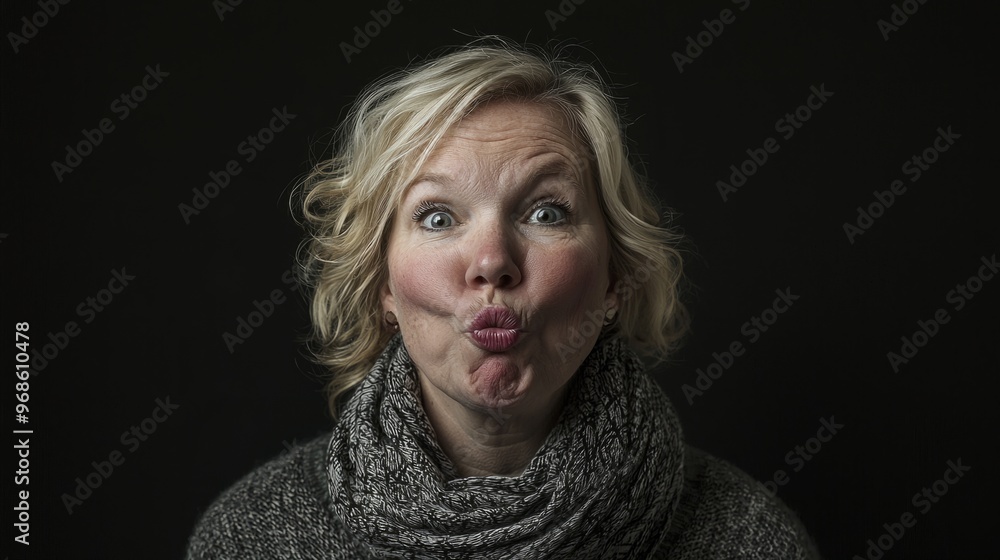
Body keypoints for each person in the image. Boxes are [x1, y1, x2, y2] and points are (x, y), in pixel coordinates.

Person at [187, 39, 822, 559]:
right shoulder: (252, 540)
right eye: (437, 217)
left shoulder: (745, 540)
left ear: (613, 279)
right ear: (381, 283)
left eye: (547, 211)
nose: (492, 261)